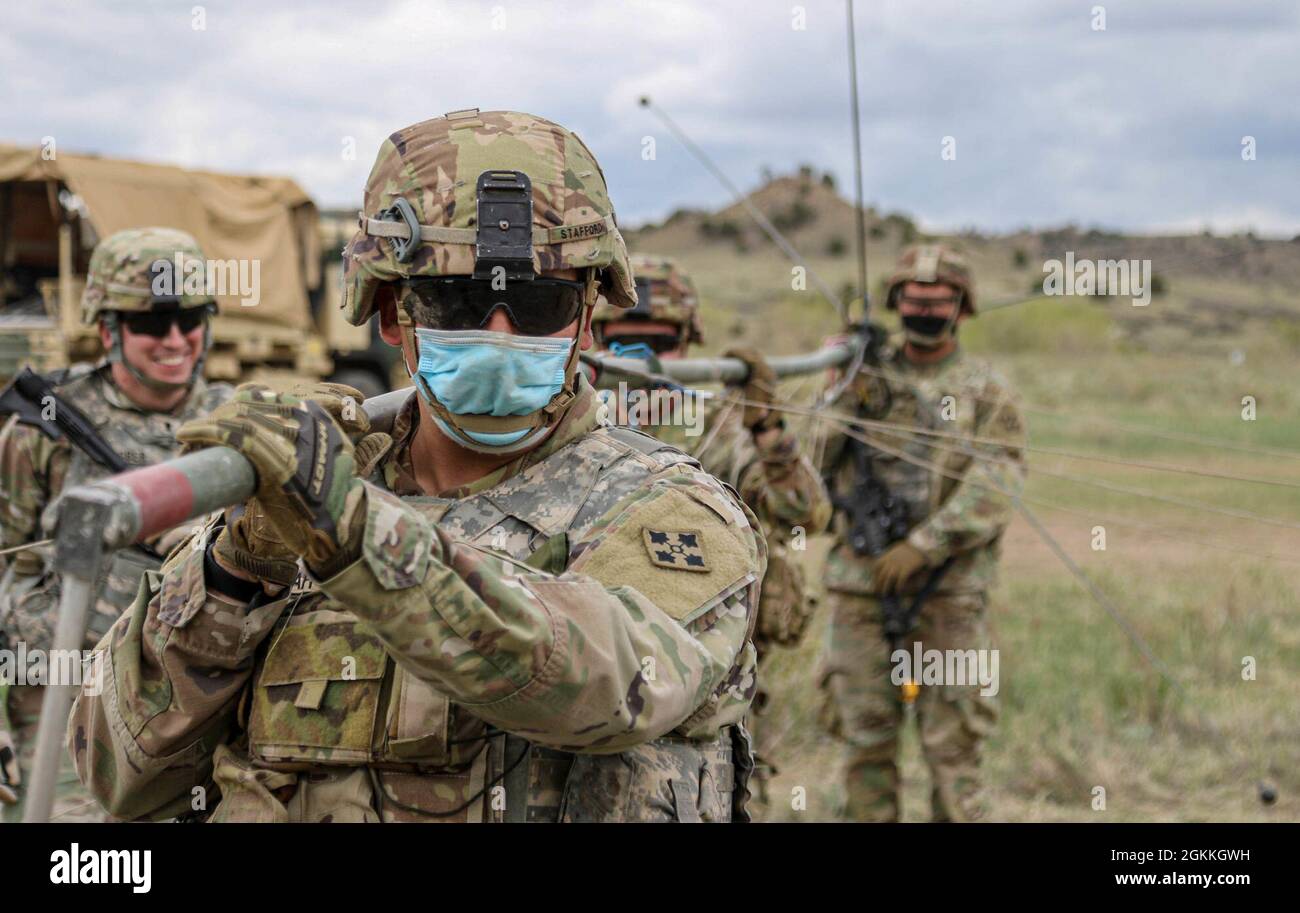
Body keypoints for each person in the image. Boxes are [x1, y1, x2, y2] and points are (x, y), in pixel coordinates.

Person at [68, 109, 766, 823]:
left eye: (536, 300)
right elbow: (116, 775)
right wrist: (235, 572)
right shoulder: (293, 505)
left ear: (586, 318)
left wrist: (357, 537)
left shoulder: (673, 511)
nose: (497, 332)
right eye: (457, 297)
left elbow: (607, 684)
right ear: (391, 314)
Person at [0, 227, 231, 822]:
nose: (175, 340)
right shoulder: (44, 429)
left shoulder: (236, 424)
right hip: (66, 701)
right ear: (108, 329)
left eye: (190, 318)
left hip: (201, 706)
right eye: (151, 324)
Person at [590, 255, 831, 803]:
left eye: (660, 340)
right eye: (623, 338)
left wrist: (768, 426)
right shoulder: (571, 426)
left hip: (713, 701)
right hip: (595, 689)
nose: (644, 356)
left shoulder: (720, 431)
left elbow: (807, 513)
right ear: (594, 339)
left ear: (688, 344)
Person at [817, 244, 1026, 822]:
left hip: (948, 596)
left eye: (939, 301)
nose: (925, 311)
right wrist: (838, 387)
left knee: (954, 750)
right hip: (861, 592)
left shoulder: (986, 391)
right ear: (895, 303)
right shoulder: (865, 381)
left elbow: (998, 484)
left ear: (962, 308)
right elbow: (812, 469)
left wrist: (925, 545)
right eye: (914, 300)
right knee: (866, 744)